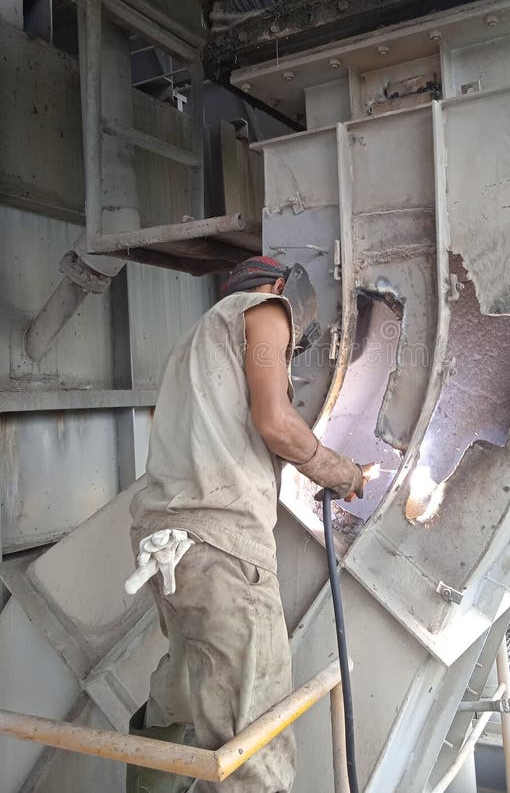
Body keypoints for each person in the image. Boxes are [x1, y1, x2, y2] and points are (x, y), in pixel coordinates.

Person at [125, 256, 366, 793]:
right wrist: (341, 470)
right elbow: (275, 422)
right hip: (222, 547)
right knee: (256, 745)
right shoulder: (265, 309)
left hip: (165, 544)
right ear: (281, 289)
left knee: (179, 696)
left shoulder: (190, 343)